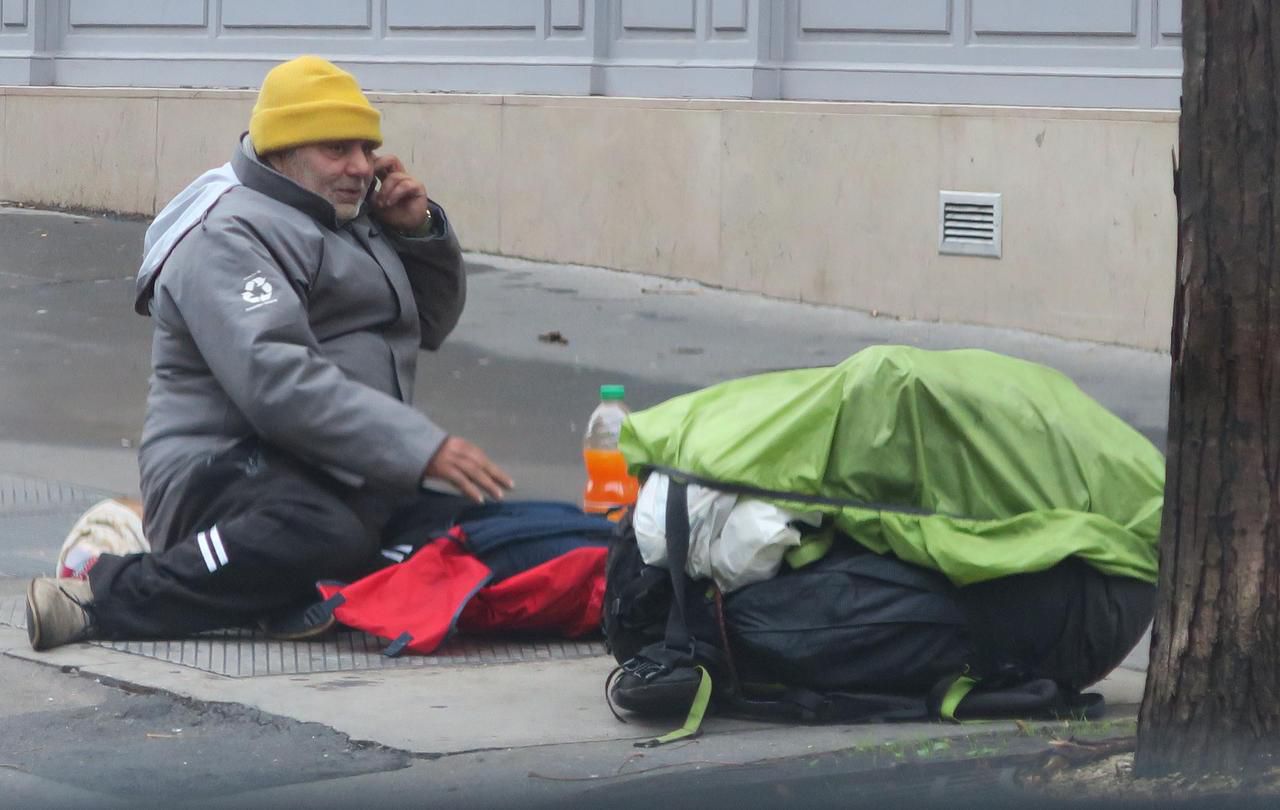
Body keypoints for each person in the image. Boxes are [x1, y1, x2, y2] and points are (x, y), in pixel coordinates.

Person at [25, 55, 512, 651]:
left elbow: (426, 324)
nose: (361, 167)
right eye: (338, 148)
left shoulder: (346, 217)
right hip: (226, 471)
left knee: (458, 533)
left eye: (366, 147)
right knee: (326, 534)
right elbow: (276, 379)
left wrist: (417, 234)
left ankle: (275, 595)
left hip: (327, 466)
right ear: (285, 151)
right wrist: (419, 448)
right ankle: (102, 590)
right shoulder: (226, 233)